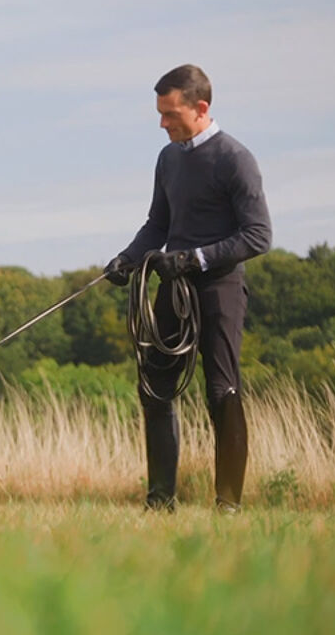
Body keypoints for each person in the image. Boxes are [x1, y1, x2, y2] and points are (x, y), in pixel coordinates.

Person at [104, 64, 272, 513]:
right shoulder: (169, 158)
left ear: (200, 108)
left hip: (219, 288)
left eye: (170, 114)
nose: (162, 124)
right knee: (153, 386)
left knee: (221, 390)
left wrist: (193, 258)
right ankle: (160, 501)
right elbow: (157, 224)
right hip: (171, 288)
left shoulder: (235, 159)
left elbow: (258, 236)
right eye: (160, 114)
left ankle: (228, 504)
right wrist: (128, 258)